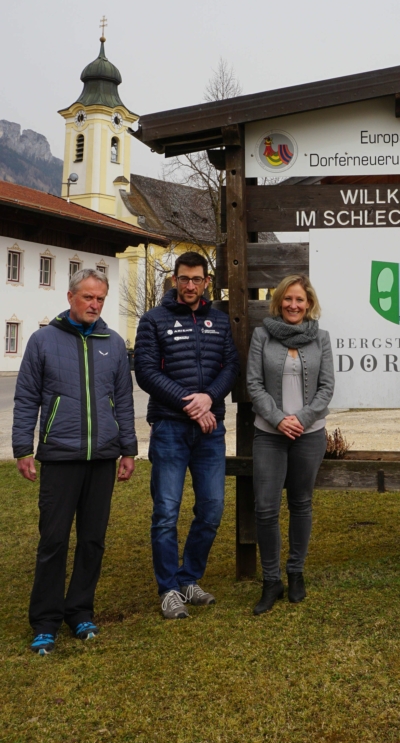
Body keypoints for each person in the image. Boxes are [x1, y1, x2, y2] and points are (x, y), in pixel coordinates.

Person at [12, 269, 137, 655]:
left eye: (100, 299)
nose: (94, 305)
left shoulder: (113, 343)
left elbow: (124, 399)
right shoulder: (43, 341)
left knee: (92, 540)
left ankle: (80, 611)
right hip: (60, 456)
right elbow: (26, 396)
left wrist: (128, 449)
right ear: (70, 297)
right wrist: (22, 448)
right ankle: (45, 621)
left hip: (102, 457)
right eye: (88, 297)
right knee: (53, 540)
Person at [134, 251, 239, 618]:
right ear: (174, 280)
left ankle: (189, 578)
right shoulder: (153, 320)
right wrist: (190, 404)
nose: (190, 285)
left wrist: (209, 398)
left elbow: (231, 367)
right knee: (166, 512)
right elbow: (146, 372)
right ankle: (168, 589)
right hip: (170, 428)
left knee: (212, 509)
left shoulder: (220, 321)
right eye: (184, 278)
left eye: (197, 279)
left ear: (206, 281)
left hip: (210, 430)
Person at [246, 275, 334, 614]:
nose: (293, 305)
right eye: (288, 299)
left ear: (308, 303)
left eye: (300, 300)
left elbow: (327, 387)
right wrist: (279, 419)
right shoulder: (261, 336)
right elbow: (254, 384)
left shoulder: (321, 338)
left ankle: (296, 572)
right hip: (269, 433)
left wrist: (303, 419)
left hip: (309, 434)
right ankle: (271, 581)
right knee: (266, 508)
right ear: (278, 301)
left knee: (301, 503)